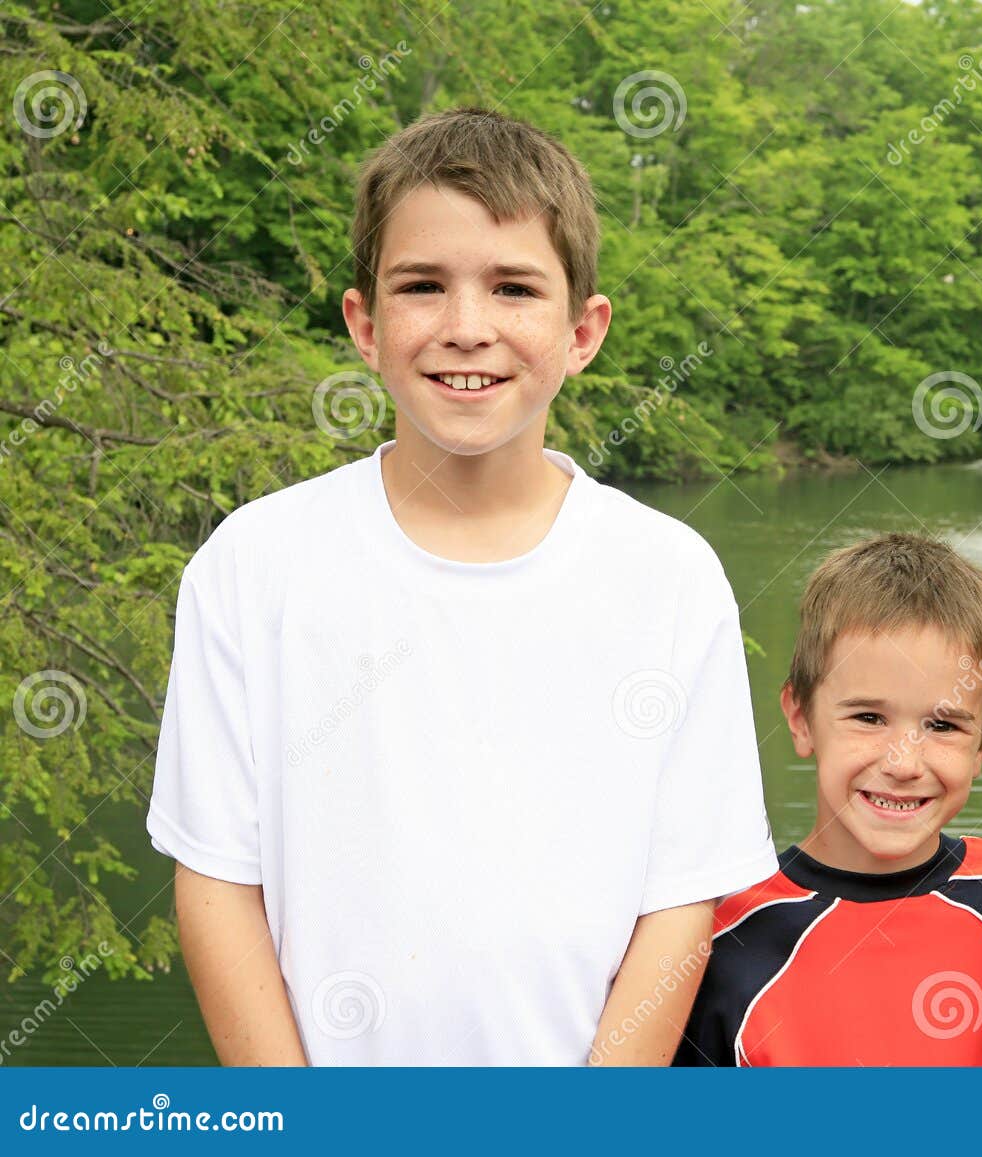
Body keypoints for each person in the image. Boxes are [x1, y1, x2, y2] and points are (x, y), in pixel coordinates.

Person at [146, 107, 776, 1066]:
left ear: (582, 331)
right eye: (423, 286)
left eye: (514, 287)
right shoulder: (254, 564)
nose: (467, 328)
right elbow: (217, 884)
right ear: (365, 323)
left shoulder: (671, 577)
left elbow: (681, 901)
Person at [676, 533, 982, 1066]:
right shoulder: (722, 936)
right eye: (868, 718)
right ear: (800, 717)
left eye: (942, 724)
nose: (904, 764)